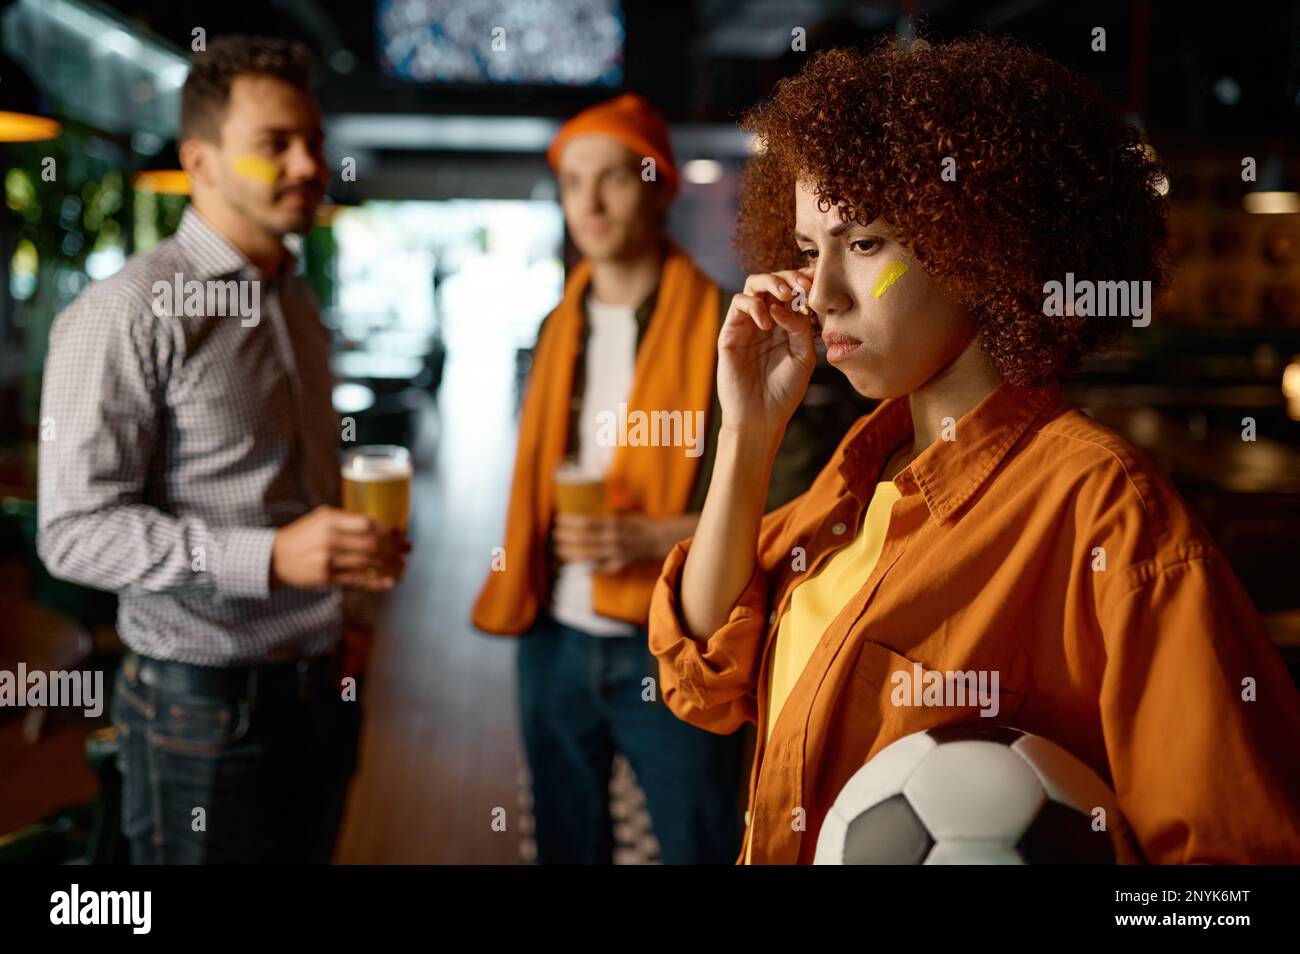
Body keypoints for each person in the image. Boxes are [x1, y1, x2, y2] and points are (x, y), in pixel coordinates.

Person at [648, 36, 1300, 864]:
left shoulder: (1107, 515)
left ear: (980, 246)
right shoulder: (861, 476)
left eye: (867, 244)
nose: (819, 293)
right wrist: (745, 431)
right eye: (811, 251)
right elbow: (702, 680)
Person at [37, 35, 406, 864]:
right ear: (199, 161)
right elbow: (70, 534)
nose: (310, 164)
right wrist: (271, 556)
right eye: (275, 144)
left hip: (321, 684)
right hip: (198, 711)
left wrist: (344, 594)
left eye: (312, 140)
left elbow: (289, 487)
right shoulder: (126, 312)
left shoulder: (295, 298)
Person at [472, 93, 855, 864]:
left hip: (672, 642)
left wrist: (651, 535)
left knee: (699, 843)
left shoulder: (734, 326)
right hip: (552, 636)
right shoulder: (557, 323)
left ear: (659, 185)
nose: (591, 200)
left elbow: (794, 502)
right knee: (565, 844)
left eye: (614, 176)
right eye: (574, 181)